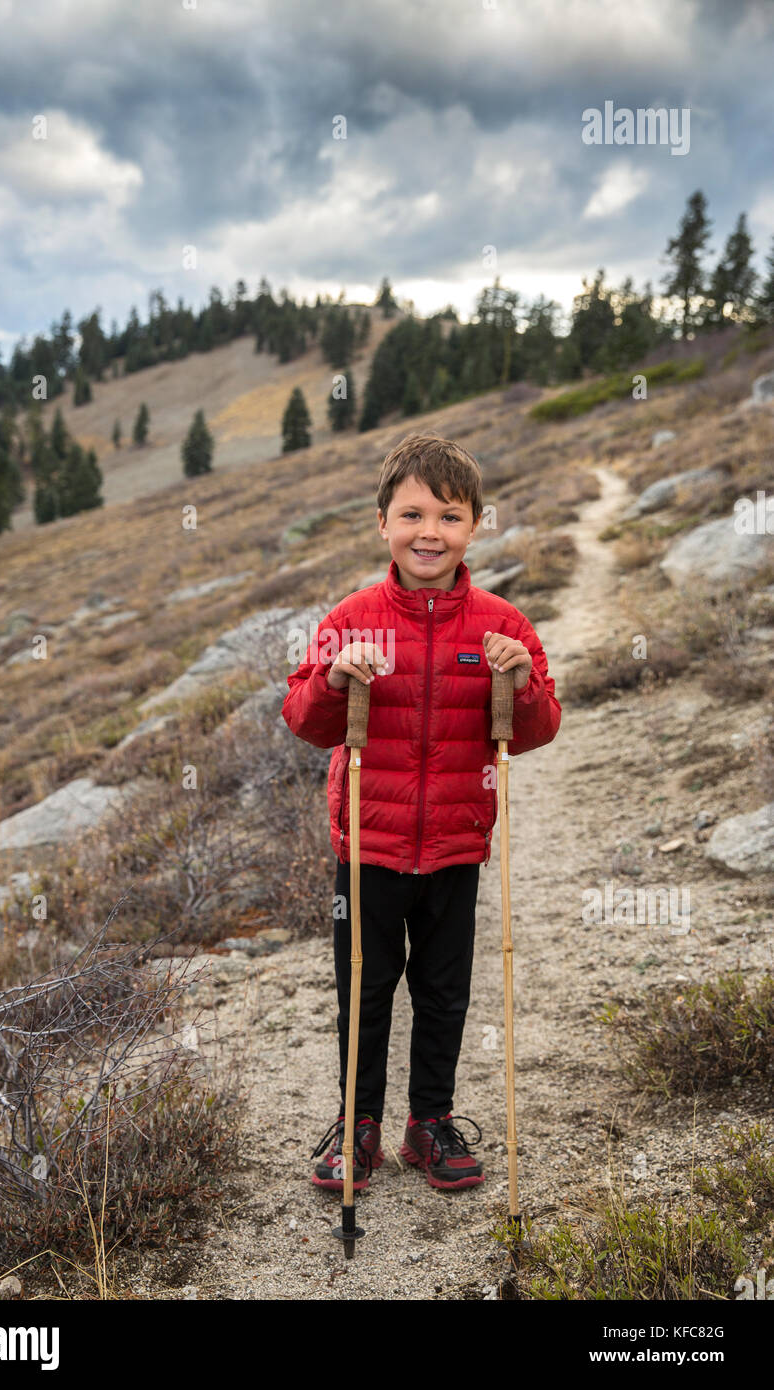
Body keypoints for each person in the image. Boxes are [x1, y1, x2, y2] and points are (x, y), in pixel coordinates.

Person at [281, 433, 561, 1192]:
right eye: (411, 515)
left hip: (455, 847)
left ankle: (428, 1123)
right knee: (364, 988)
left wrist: (523, 685)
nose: (428, 532)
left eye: (449, 515)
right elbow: (303, 718)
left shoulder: (501, 626)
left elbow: (538, 729)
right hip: (366, 849)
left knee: (444, 990)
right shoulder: (353, 617)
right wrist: (334, 680)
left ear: (474, 527)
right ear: (382, 523)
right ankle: (358, 1123)